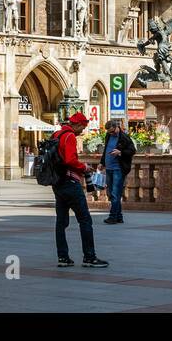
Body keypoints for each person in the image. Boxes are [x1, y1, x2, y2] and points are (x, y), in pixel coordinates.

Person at [52, 112, 109, 268]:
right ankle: (89, 257)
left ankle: (63, 257)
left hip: (58, 183)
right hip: (70, 182)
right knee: (85, 220)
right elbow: (70, 160)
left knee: (61, 222)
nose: (82, 131)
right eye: (82, 127)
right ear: (76, 124)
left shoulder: (57, 134)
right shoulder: (69, 136)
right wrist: (83, 167)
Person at [101, 118, 136, 224]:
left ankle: (112, 216)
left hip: (118, 169)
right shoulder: (108, 136)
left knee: (115, 194)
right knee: (111, 193)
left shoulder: (124, 137)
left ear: (117, 127)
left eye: (112, 131)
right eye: (109, 132)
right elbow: (105, 150)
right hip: (109, 168)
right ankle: (119, 216)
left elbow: (132, 150)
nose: (111, 134)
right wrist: (101, 163)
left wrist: (120, 152)